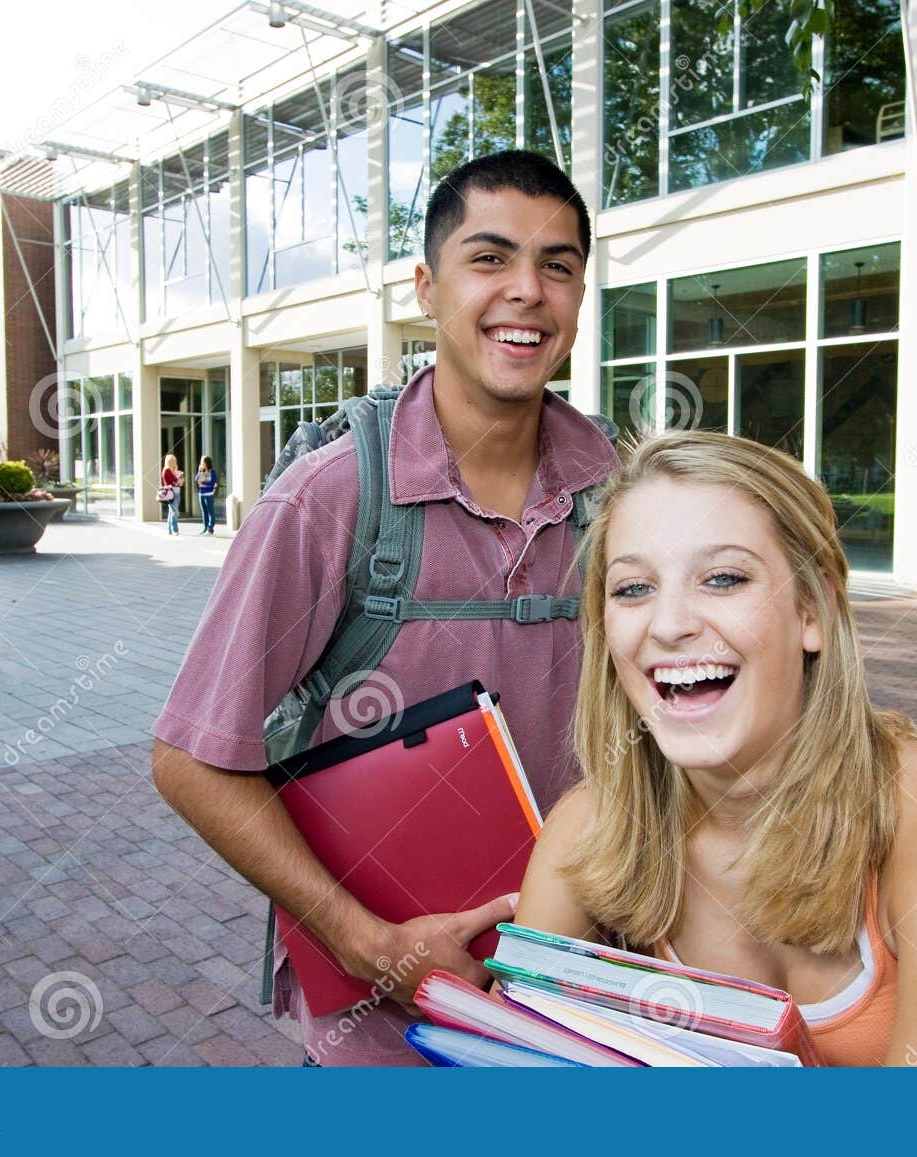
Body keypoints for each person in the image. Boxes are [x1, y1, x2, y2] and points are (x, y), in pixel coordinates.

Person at [151, 151, 620, 1066]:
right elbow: (191, 760)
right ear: (424, 288)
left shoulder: (620, 491)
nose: (528, 290)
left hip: (581, 1013)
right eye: (489, 259)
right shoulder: (328, 499)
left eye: (558, 266)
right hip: (384, 1038)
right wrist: (371, 946)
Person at [515, 432, 917, 1065]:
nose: (668, 625)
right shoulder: (593, 823)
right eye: (633, 589)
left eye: (723, 579)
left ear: (814, 610)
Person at [195, 456, 218, 535]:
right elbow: (196, 479)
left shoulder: (212, 472)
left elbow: (212, 482)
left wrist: (203, 484)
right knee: (204, 511)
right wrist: (200, 471)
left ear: (207, 463)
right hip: (201, 493)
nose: (202, 465)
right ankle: (205, 528)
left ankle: (210, 528)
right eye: (201, 463)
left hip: (209, 494)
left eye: (203, 463)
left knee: (210, 511)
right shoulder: (202, 471)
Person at [160, 454, 181, 536]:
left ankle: (169, 529)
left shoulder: (166, 470)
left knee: (171, 511)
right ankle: (174, 529)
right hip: (172, 492)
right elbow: (175, 480)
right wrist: (176, 474)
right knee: (174, 512)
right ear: (170, 462)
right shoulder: (168, 470)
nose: (175, 463)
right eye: (174, 461)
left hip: (171, 493)